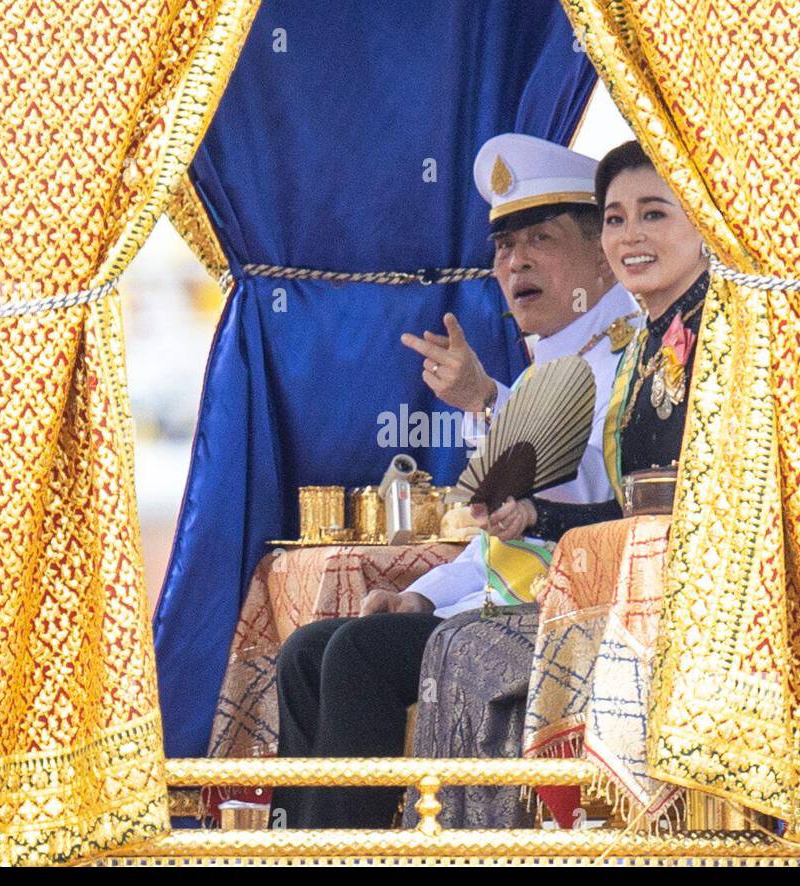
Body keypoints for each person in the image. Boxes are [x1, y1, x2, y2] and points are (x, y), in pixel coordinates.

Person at [270, 133, 640, 829]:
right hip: (510, 603)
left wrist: (487, 403)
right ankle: (306, 842)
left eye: (540, 238)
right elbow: (493, 550)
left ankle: (354, 848)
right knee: (306, 651)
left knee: (359, 656)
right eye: (504, 247)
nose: (516, 261)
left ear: (602, 252)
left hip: (573, 620)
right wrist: (416, 595)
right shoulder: (550, 363)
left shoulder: (630, 353)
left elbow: (594, 492)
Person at [400, 140, 709, 829]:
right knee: (410, 645)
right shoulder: (645, 351)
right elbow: (618, 513)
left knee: (458, 648)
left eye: (653, 216)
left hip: (684, 614)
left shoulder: (705, 339)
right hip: (615, 598)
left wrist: (488, 402)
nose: (631, 237)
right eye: (617, 219)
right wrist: (530, 516)